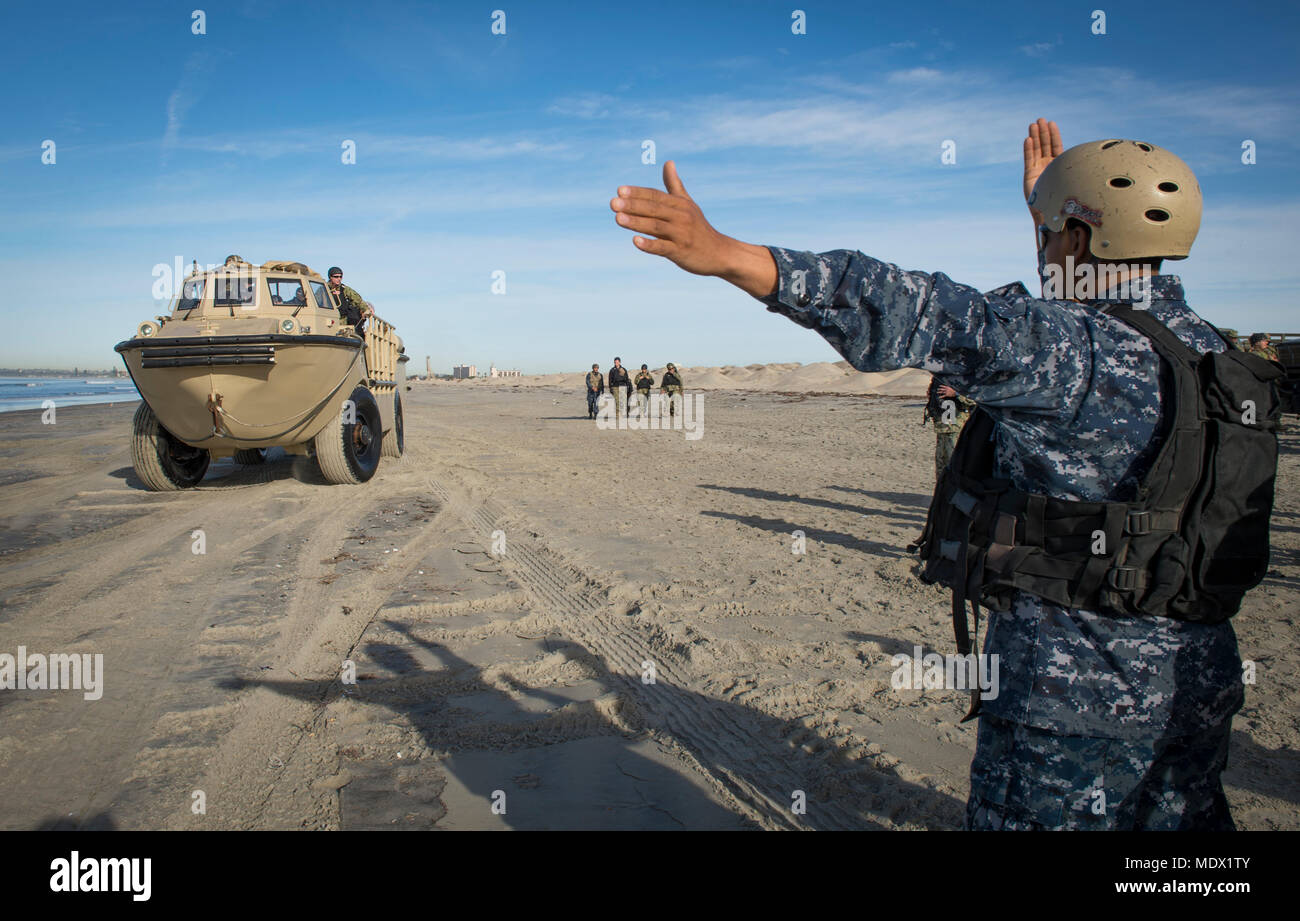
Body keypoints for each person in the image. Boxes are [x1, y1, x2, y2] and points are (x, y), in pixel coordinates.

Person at [610, 119, 1268, 830]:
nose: (1045, 247)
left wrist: (735, 257)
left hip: (1076, 703)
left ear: (1079, 240)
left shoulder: (1073, 355)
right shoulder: (1215, 358)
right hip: (1194, 687)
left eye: (1054, 234)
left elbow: (917, 308)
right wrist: (1056, 221)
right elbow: (1078, 331)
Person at [924, 379, 975, 481]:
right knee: (941, 463)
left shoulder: (962, 377)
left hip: (957, 429)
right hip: (942, 428)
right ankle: (943, 491)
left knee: (955, 462)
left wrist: (955, 393)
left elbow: (975, 399)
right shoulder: (938, 378)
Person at [326, 266, 372, 336]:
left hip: (342, 319)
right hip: (327, 318)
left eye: (340, 277)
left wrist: (365, 309)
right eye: (336, 277)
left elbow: (357, 299)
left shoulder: (344, 289)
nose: (339, 279)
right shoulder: (324, 289)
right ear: (330, 277)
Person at [607, 357, 632, 423]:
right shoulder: (612, 370)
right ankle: (618, 415)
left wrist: (628, 387)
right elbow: (610, 380)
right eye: (615, 362)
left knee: (622, 402)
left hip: (623, 386)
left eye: (617, 362)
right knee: (617, 401)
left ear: (619, 362)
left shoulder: (623, 369)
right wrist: (610, 388)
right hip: (615, 387)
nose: (616, 363)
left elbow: (627, 379)